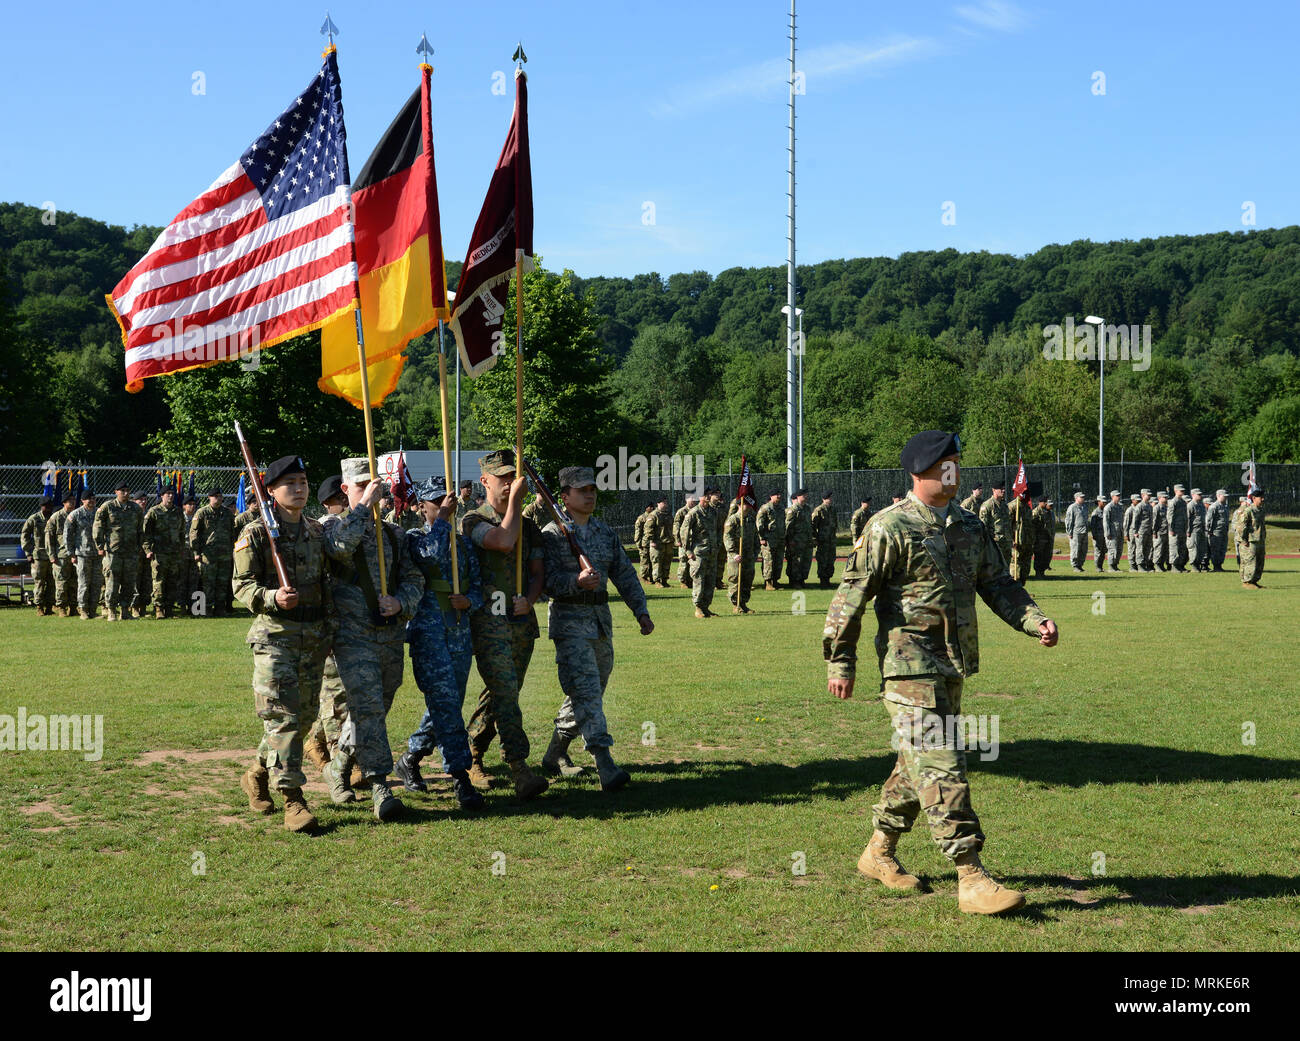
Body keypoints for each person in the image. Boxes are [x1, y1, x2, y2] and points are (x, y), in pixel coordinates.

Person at [824, 430, 1058, 916]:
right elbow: (850, 596)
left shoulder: (969, 527)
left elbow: (998, 584)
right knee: (944, 765)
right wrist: (840, 659)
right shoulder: (887, 527)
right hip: (907, 668)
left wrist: (1035, 620)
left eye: (957, 465)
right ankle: (971, 875)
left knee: (917, 767)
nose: (953, 474)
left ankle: (878, 851)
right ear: (920, 472)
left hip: (952, 668)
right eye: (944, 466)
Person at [234, 455, 350, 833]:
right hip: (275, 638)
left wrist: (331, 632)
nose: (299, 489)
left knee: (300, 720)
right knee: (282, 716)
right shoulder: (255, 533)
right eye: (290, 484)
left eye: (302, 482)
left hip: (314, 638)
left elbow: (327, 587)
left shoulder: (318, 532)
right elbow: (241, 585)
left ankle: (256, 771)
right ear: (270, 491)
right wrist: (271, 597)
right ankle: (294, 801)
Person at [318, 458, 423, 821]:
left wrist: (401, 602)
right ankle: (381, 785)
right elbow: (340, 548)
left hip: (389, 634)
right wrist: (363, 509)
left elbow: (413, 579)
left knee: (377, 706)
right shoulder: (331, 526)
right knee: (369, 708)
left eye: (375, 485)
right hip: (351, 636)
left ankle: (339, 766)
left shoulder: (393, 534)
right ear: (346, 490)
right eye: (363, 486)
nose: (373, 492)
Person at [541, 465, 654, 790]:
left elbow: (625, 575)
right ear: (565, 496)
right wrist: (574, 581)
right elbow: (544, 581)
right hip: (569, 623)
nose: (589, 495)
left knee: (588, 691)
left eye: (592, 489)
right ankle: (604, 763)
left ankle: (554, 755)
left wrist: (641, 612)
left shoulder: (604, 533)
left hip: (601, 624)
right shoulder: (552, 535)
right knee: (587, 691)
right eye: (582, 490)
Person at [459, 450, 550, 798]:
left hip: (521, 624)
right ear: (485, 481)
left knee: (501, 693)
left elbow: (537, 571)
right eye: (503, 478)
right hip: (489, 624)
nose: (510, 484)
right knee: (506, 693)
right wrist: (516, 502)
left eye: (514, 477)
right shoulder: (472, 520)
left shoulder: (529, 527)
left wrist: (530, 597)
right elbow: (502, 540)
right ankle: (519, 767)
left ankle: (473, 752)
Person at [393, 478, 486, 809]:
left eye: (447, 501)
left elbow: (478, 584)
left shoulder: (462, 544)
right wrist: (443, 522)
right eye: (436, 502)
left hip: (459, 631)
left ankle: (411, 757)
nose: (444, 506)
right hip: (428, 632)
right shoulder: (414, 539)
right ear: (421, 506)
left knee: (448, 703)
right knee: (445, 702)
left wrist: (470, 601)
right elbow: (430, 557)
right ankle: (461, 777)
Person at [303, 475, 349, 775]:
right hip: (329, 617)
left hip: (352, 619)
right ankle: (339, 761)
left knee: (347, 691)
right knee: (334, 691)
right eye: (340, 499)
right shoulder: (324, 528)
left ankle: (316, 739)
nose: (344, 503)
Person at [93, 481, 144, 622]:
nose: (125, 493)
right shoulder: (108, 507)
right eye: (122, 491)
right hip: (113, 551)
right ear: (116, 492)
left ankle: (125, 611)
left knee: (129, 582)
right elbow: (98, 527)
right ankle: (111, 611)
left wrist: (140, 547)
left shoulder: (135, 508)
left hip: (131, 552)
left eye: (127, 491)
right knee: (112, 582)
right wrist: (100, 546)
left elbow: (140, 530)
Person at [142, 487, 186, 618]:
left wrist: (181, 548)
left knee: (172, 581)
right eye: (168, 494)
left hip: (174, 552)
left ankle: (169, 608)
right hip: (159, 552)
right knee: (159, 580)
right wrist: (148, 550)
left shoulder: (178, 512)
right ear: (162, 496)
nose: (170, 496)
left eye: (172, 494)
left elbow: (182, 532)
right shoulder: (154, 512)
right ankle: (159, 608)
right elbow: (146, 534)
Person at [191, 487, 235, 617]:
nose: (218, 499)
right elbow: (194, 533)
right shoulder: (202, 513)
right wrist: (196, 552)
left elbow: (232, 532)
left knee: (222, 582)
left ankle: (220, 608)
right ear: (209, 498)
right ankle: (208, 608)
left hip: (225, 553)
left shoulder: (227, 513)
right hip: (208, 554)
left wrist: (233, 549)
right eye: (215, 496)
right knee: (208, 582)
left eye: (220, 496)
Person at [682, 487, 720, 618]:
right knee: (699, 580)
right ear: (700, 497)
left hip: (711, 552)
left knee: (710, 581)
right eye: (706, 495)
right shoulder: (694, 513)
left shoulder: (713, 512)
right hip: (698, 553)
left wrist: (717, 545)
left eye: (710, 494)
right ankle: (698, 608)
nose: (709, 497)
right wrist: (687, 551)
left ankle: (706, 607)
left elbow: (718, 530)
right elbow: (684, 532)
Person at [66, 490, 101, 619]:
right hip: (82, 553)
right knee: (84, 583)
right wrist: (71, 553)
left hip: (98, 553)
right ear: (82, 500)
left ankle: (93, 610)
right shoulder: (76, 514)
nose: (91, 500)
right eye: (88, 498)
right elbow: (67, 534)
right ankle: (83, 610)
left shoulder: (99, 513)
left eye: (93, 498)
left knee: (96, 583)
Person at [21, 495, 56, 616]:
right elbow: (25, 535)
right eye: (46, 506)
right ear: (42, 507)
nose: (49, 508)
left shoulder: (54, 517)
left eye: (50, 506)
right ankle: (39, 606)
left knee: (52, 582)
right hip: (39, 555)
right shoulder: (34, 519)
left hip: (53, 555)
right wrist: (28, 552)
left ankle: (50, 606)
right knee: (39, 582)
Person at [45, 491, 78, 616]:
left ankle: (73, 607)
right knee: (61, 582)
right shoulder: (56, 517)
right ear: (64, 503)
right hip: (61, 555)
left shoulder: (77, 515)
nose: (73, 502)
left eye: (74, 500)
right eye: (70, 501)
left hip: (76, 554)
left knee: (75, 582)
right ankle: (61, 607)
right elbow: (49, 538)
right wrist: (52, 555)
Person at [723, 496, 758, 614]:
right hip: (736, 556)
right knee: (735, 579)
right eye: (745, 504)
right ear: (739, 505)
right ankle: (736, 605)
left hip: (748, 554)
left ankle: (743, 603)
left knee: (747, 579)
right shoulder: (733, 520)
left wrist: (756, 551)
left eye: (749, 504)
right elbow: (727, 537)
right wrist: (733, 553)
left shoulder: (750, 519)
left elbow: (755, 536)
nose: (748, 507)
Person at [756, 491, 786, 590]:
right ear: (771, 496)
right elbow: (759, 523)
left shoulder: (781, 509)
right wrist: (762, 538)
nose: (779, 496)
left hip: (779, 539)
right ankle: (768, 582)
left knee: (778, 560)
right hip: (769, 539)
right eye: (776, 495)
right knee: (768, 560)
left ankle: (775, 581)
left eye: (779, 494)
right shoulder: (765, 508)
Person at [784, 488, 813, 588]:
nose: (806, 497)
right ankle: (795, 581)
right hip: (796, 541)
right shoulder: (793, 510)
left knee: (806, 561)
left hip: (806, 540)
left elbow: (809, 524)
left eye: (806, 495)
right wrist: (790, 541)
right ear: (798, 497)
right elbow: (788, 526)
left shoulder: (807, 509)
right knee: (796, 561)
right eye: (804, 495)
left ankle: (802, 579)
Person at [1238, 489, 1266, 589]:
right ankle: (1247, 582)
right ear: (1254, 498)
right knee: (1250, 561)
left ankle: (1254, 581)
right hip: (1250, 541)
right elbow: (1241, 526)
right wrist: (1243, 540)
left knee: (1259, 561)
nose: (1263, 499)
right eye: (1260, 497)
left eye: (1263, 497)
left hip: (1260, 539)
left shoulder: (1261, 510)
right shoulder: (1248, 511)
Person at [978, 482, 1011, 565]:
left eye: (1004, 489)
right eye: (1001, 489)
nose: (1003, 491)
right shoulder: (987, 505)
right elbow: (983, 526)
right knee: (995, 567)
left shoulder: (1004, 505)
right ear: (994, 490)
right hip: (994, 543)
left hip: (1006, 542)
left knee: (1006, 567)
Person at [810, 492, 837, 589]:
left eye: (830, 498)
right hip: (823, 540)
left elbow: (835, 524)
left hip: (831, 540)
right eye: (828, 498)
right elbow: (812, 526)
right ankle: (823, 581)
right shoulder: (819, 510)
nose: (830, 500)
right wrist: (815, 538)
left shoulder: (833, 510)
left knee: (831, 560)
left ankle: (828, 579)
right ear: (824, 499)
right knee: (823, 560)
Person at [1007, 486, 1034, 584]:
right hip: (1017, 542)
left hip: (1027, 542)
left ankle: (1021, 587)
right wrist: (1012, 540)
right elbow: (1008, 525)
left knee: (1025, 568)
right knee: (1016, 567)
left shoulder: (1027, 506)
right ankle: (1015, 589)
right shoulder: (1012, 506)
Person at [646, 496, 674, 588]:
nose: (665, 504)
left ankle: (665, 580)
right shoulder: (654, 515)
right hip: (657, 543)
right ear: (658, 504)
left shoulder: (668, 515)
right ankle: (657, 581)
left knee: (667, 562)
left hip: (668, 542)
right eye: (663, 502)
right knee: (657, 562)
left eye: (666, 502)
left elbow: (672, 528)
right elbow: (648, 528)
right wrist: (651, 540)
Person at [673, 496, 697, 588]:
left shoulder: (696, 511)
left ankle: (690, 580)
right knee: (683, 560)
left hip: (693, 541)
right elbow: (676, 526)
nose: (693, 500)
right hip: (684, 541)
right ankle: (683, 581)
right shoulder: (681, 512)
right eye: (691, 498)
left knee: (693, 561)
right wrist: (677, 540)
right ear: (687, 499)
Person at [1205, 489, 1230, 572]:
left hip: (1224, 532)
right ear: (1218, 496)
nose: (1226, 498)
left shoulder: (1225, 506)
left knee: (1222, 549)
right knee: (1215, 550)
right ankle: (1216, 566)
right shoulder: (1214, 506)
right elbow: (1208, 520)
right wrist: (1209, 530)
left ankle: (1220, 565)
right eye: (1224, 496)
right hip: (1216, 532)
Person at [1167, 484, 1189, 572]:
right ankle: (1174, 566)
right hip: (1175, 529)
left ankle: (1180, 565)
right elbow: (1170, 517)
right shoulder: (1173, 502)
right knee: (1174, 547)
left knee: (1182, 548)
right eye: (1181, 491)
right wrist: (1171, 529)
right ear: (1176, 491)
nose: (1182, 492)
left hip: (1182, 529)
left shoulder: (1183, 502)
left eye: (1183, 491)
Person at [1064, 491, 1089, 572]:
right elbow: (1068, 521)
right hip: (1076, 532)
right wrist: (1069, 532)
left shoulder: (1084, 507)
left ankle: (1080, 565)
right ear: (1076, 498)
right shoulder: (1072, 507)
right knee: (1075, 549)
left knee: (1083, 549)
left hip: (1084, 531)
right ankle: (1075, 566)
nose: (1083, 498)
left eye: (1083, 497)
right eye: (1081, 497)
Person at [1031, 495, 1054, 578]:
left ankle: (1043, 572)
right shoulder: (1036, 512)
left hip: (1048, 537)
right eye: (1045, 502)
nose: (1047, 504)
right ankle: (1038, 573)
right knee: (1039, 556)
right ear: (1041, 503)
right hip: (1039, 539)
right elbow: (1032, 527)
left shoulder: (1049, 512)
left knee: (1047, 556)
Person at [1186, 488, 1209, 572]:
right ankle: (1194, 565)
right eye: (1198, 494)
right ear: (1193, 495)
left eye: (1200, 494)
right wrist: (1188, 531)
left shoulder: (1201, 505)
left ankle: (1199, 564)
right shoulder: (1190, 505)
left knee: (1201, 548)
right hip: (1194, 530)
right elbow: (1187, 519)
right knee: (1194, 548)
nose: (1200, 496)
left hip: (1201, 529)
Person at [1102, 490, 1124, 572]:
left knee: (1119, 549)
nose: (1118, 497)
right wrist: (1107, 533)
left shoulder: (1120, 506)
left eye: (1119, 496)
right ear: (1112, 497)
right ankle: (1111, 566)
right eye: (1117, 496)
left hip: (1119, 531)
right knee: (1112, 550)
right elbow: (1105, 521)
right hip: (1112, 532)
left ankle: (1115, 565)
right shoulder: (1108, 507)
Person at [1133, 489, 1154, 572]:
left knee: (1147, 549)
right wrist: (1135, 531)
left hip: (1148, 531)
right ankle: (1140, 565)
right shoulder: (1139, 506)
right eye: (1147, 495)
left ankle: (1145, 564)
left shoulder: (1149, 506)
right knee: (1140, 549)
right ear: (1142, 495)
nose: (1149, 496)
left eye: (1150, 495)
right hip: (1141, 531)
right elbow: (1135, 520)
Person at [633, 504, 655, 582]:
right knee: (645, 560)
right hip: (644, 543)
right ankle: (644, 577)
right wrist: (638, 543)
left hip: (653, 543)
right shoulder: (642, 518)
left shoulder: (654, 516)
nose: (652, 508)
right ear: (646, 508)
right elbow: (638, 531)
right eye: (650, 506)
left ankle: (652, 577)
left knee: (653, 560)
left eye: (653, 506)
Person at [1087, 494, 1108, 572]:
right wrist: (1094, 535)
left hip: (1104, 535)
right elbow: (1092, 526)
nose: (1105, 503)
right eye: (1103, 502)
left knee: (1103, 551)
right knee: (1098, 551)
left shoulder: (1105, 511)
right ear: (1099, 502)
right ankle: (1097, 567)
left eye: (1105, 502)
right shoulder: (1095, 512)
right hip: (1098, 535)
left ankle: (1101, 566)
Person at [1151, 490, 1170, 571]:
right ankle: (1158, 565)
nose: (1166, 499)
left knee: (1165, 550)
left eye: (1166, 497)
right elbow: (1154, 521)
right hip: (1159, 532)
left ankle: (1162, 564)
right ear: (1159, 498)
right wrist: (1154, 532)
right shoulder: (1156, 508)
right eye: (1164, 497)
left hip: (1166, 531)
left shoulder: (1166, 507)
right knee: (1158, 549)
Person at [1121, 493, 1140, 572]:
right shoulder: (1130, 510)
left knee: (1137, 549)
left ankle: (1137, 564)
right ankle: (1132, 566)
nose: (1138, 501)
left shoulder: (1139, 508)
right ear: (1133, 500)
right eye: (1137, 500)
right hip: (1131, 532)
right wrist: (1126, 534)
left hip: (1137, 532)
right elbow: (1126, 523)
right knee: (1131, 549)